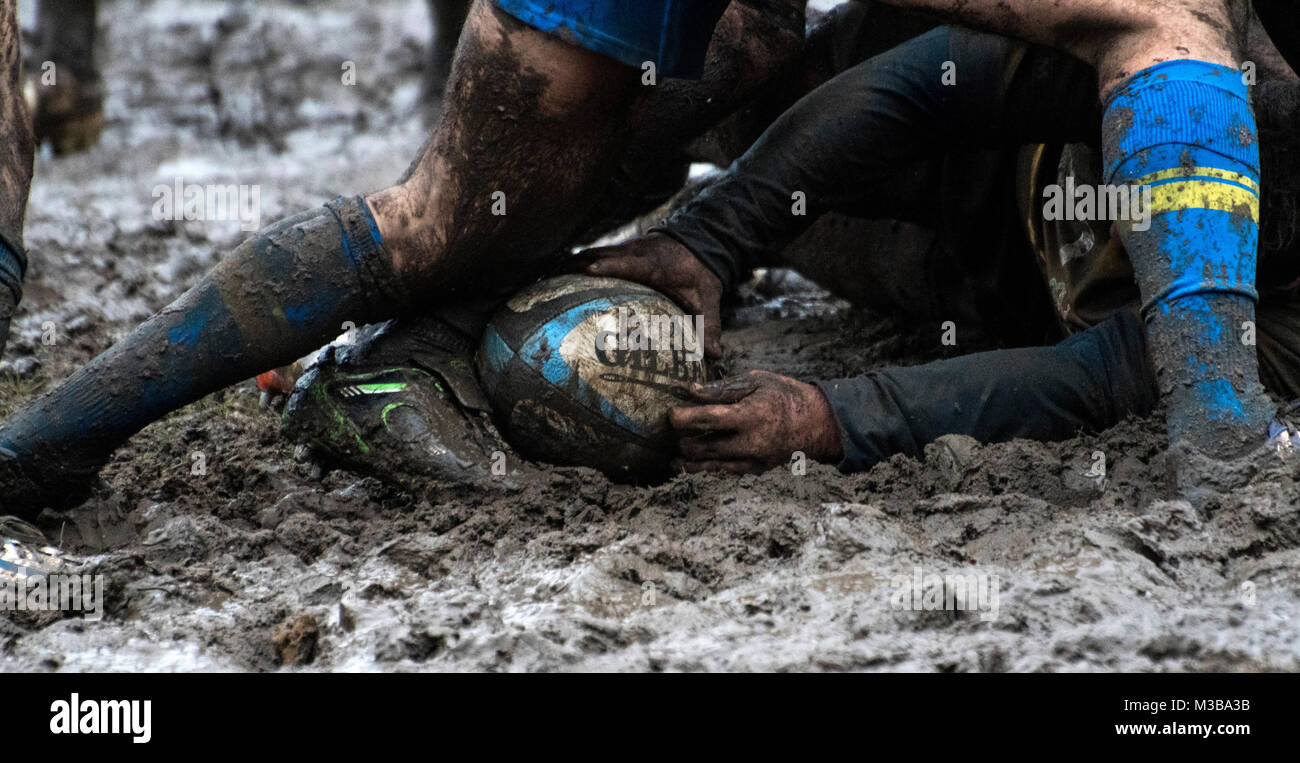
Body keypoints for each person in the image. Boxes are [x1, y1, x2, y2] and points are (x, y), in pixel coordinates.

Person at [0, 0, 1287, 516]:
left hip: (960, 279)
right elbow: (929, 87)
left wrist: (837, 412)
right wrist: (717, 242)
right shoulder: (1257, 82)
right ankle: (1225, 446)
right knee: (1154, 25)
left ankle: (50, 442)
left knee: (497, 188)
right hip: (901, 126)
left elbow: (1106, 367)